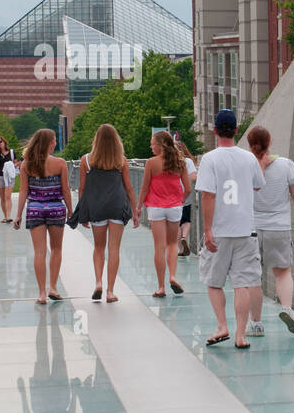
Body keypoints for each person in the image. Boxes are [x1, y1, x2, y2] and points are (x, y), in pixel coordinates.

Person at [196, 109, 264, 348]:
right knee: (242, 283)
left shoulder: (210, 159)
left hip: (220, 229)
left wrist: (207, 230)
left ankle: (222, 325)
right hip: (245, 228)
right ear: (236, 130)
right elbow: (258, 186)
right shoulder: (248, 158)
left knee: (214, 282)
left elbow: (208, 195)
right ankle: (240, 335)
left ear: (215, 130)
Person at [245, 126, 294, 334]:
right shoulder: (285, 165)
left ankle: (256, 324)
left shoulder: (245, 165)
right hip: (278, 227)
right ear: (270, 142)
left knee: (253, 278)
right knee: (282, 272)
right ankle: (287, 308)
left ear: (249, 144)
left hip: (250, 227)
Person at [68, 123, 138, 303]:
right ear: (116, 141)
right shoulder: (121, 160)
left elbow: (82, 189)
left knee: (99, 247)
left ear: (96, 140)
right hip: (117, 206)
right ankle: (110, 291)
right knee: (114, 249)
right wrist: (135, 212)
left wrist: (83, 212)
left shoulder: (86, 160)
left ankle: (98, 282)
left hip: (97, 207)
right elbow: (129, 188)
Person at [13, 128, 73, 304]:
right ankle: (53, 287)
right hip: (56, 209)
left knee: (39, 251)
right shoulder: (60, 163)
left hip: (35, 210)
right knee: (56, 249)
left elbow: (24, 189)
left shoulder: (26, 164)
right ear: (48, 143)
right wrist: (70, 210)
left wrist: (18, 214)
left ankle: (41, 293)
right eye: (53, 141)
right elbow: (66, 190)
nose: (55, 143)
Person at [135, 130, 192, 298]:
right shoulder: (179, 162)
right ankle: (173, 276)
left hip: (156, 207)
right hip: (175, 207)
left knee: (159, 246)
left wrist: (138, 208)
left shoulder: (151, 163)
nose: (150, 146)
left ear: (160, 145)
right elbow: (188, 188)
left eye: (153, 143)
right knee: (172, 245)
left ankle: (161, 287)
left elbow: (145, 188)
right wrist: (179, 201)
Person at [175, 138, 198, 257]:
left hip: (173, 195)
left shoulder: (171, 161)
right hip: (186, 193)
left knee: (177, 223)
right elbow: (194, 177)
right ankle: (184, 236)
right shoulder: (188, 161)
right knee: (186, 220)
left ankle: (180, 250)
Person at [0, 135, 15, 222]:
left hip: (9, 177)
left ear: (4, 142)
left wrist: (10, 167)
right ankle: (5, 216)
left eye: (1, 142)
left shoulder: (11, 152)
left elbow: (16, 163)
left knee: (8, 196)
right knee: (3, 198)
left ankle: (8, 216)